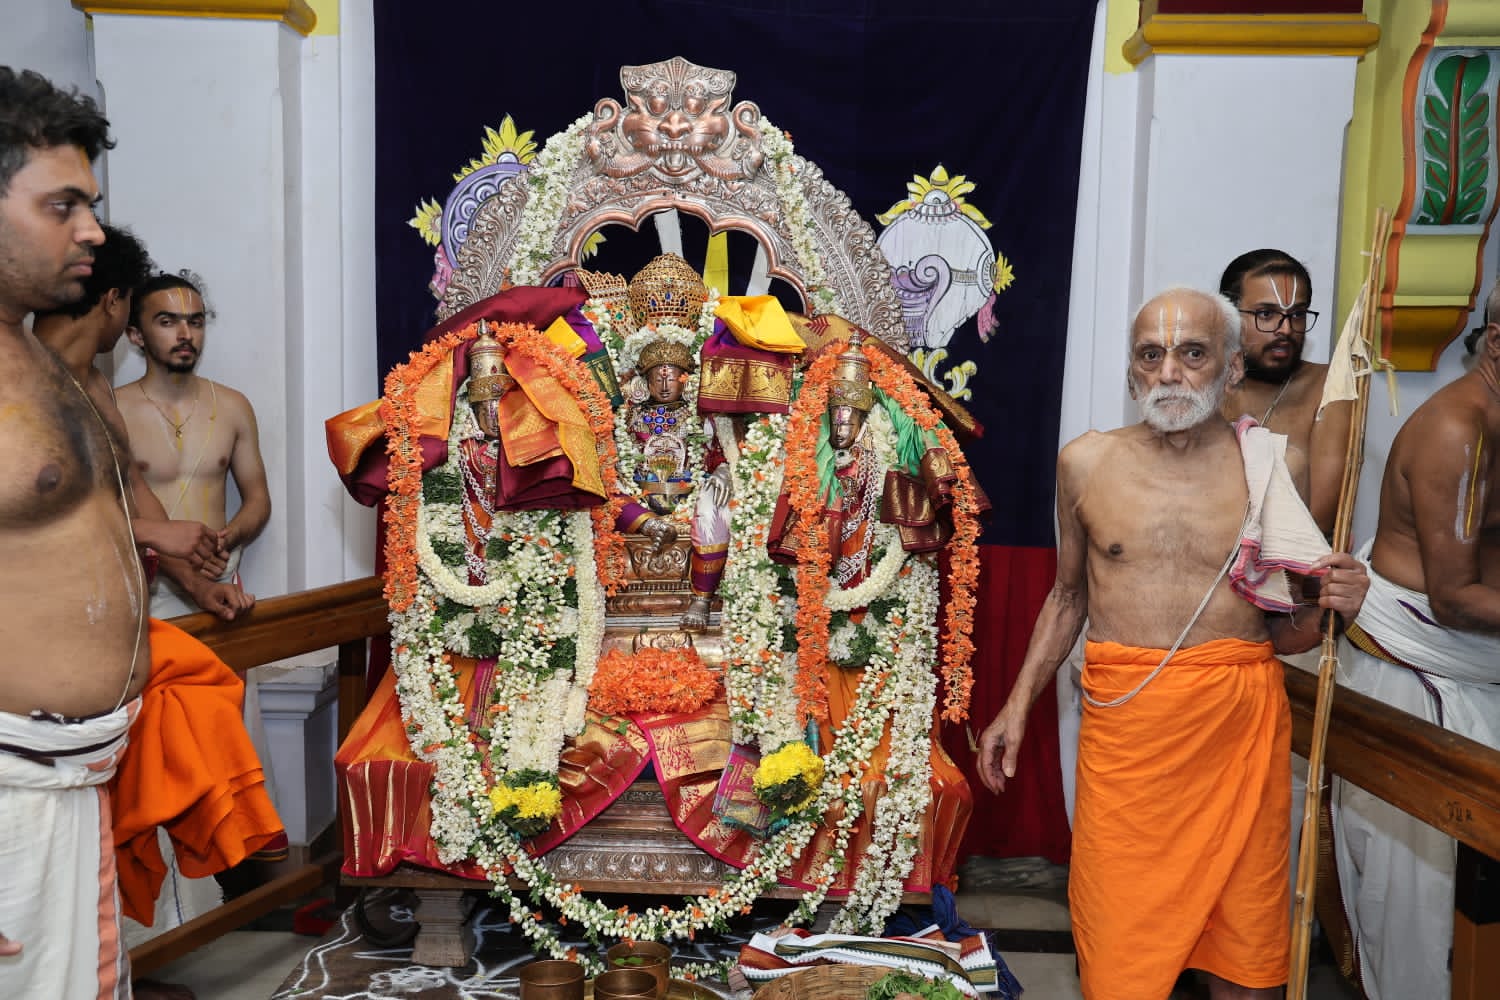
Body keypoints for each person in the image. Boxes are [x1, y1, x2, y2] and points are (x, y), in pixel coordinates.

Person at [977, 286, 1370, 1000]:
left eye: (1192, 354)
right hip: (1128, 743)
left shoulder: (1270, 466)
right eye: (1150, 355)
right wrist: (1016, 706)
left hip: (1236, 734)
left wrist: (1335, 604)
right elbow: (1067, 597)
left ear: (1230, 366)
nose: (1168, 373)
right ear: (1131, 370)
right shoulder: (1085, 463)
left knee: (1245, 963)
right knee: (1119, 961)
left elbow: (1288, 628)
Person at [0, 64, 142, 1000]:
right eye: (63, 205)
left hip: (64, 787)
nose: (92, 229)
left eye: (89, 203)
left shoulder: (33, 347)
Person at [1328, 280, 1500, 1000]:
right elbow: (1455, 598)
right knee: (1422, 903)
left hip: (1473, 670)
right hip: (1421, 675)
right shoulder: (1458, 431)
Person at [30, 225, 253, 622]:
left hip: (117, 616)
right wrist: (148, 533)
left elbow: (133, 488)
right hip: (49, 621)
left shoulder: (97, 384)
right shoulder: (22, 382)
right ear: (113, 301)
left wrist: (198, 586)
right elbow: (27, 519)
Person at [116, 272, 270, 619]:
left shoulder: (233, 406)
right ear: (135, 334)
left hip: (219, 578)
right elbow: (112, 512)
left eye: (195, 322)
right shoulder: (115, 410)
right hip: (147, 585)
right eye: (167, 322)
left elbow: (258, 499)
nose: (185, 334)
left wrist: (223, 540)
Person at [1219, 249, 1353, 537]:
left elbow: (1317, 520)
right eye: (1266, 314)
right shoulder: (1205, 385)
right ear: (1228, 317)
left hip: (1289, 559)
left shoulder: (1329, 387)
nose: (1287, 330)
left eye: (1298, 314)